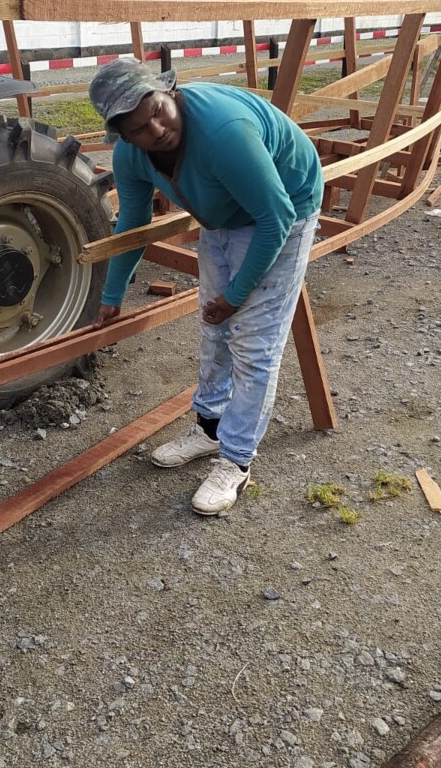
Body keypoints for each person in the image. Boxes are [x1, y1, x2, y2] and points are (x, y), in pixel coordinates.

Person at [89, 59, 322, 516]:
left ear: (168, 92)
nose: (155, 130)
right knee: (213, 329)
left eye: (157, 111)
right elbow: (136, 221)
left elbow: (274, 220)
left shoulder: (222, 132)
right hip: (221, 212)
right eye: (138, 128)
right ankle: (209, 428)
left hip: (283, 209)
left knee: (254, 345)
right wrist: (113, 294)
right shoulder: (132, 155)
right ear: (123, 135)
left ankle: (236, 460)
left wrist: (236, 297)